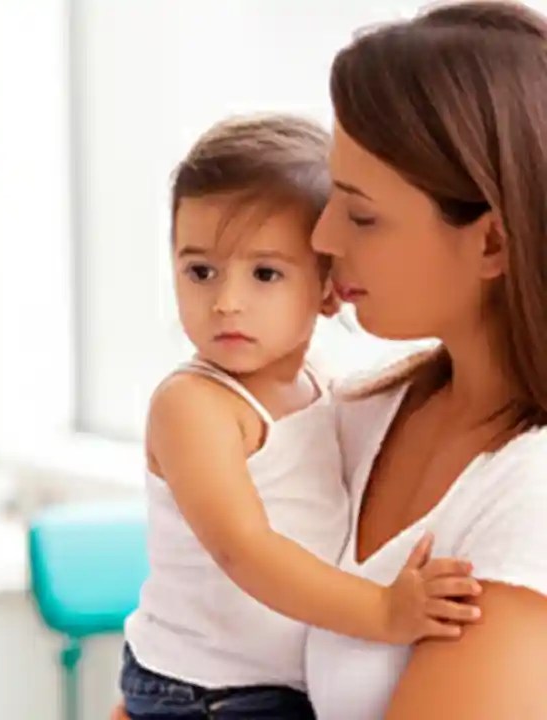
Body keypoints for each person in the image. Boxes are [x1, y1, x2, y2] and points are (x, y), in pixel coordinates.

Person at [119, 115, 479, 719]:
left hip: (268, 687)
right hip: (205, 692)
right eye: (200, 270)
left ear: (329, 287)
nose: (226, 300)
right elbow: (244, 548)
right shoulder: (194, 405)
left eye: (266, 273)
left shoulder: (323, 385)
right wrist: (382, 611)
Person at [304, 2, 547, 717]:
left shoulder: (530, 495)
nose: (320, 236)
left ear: (493, 244)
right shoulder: (358, 415)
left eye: (362, 214)